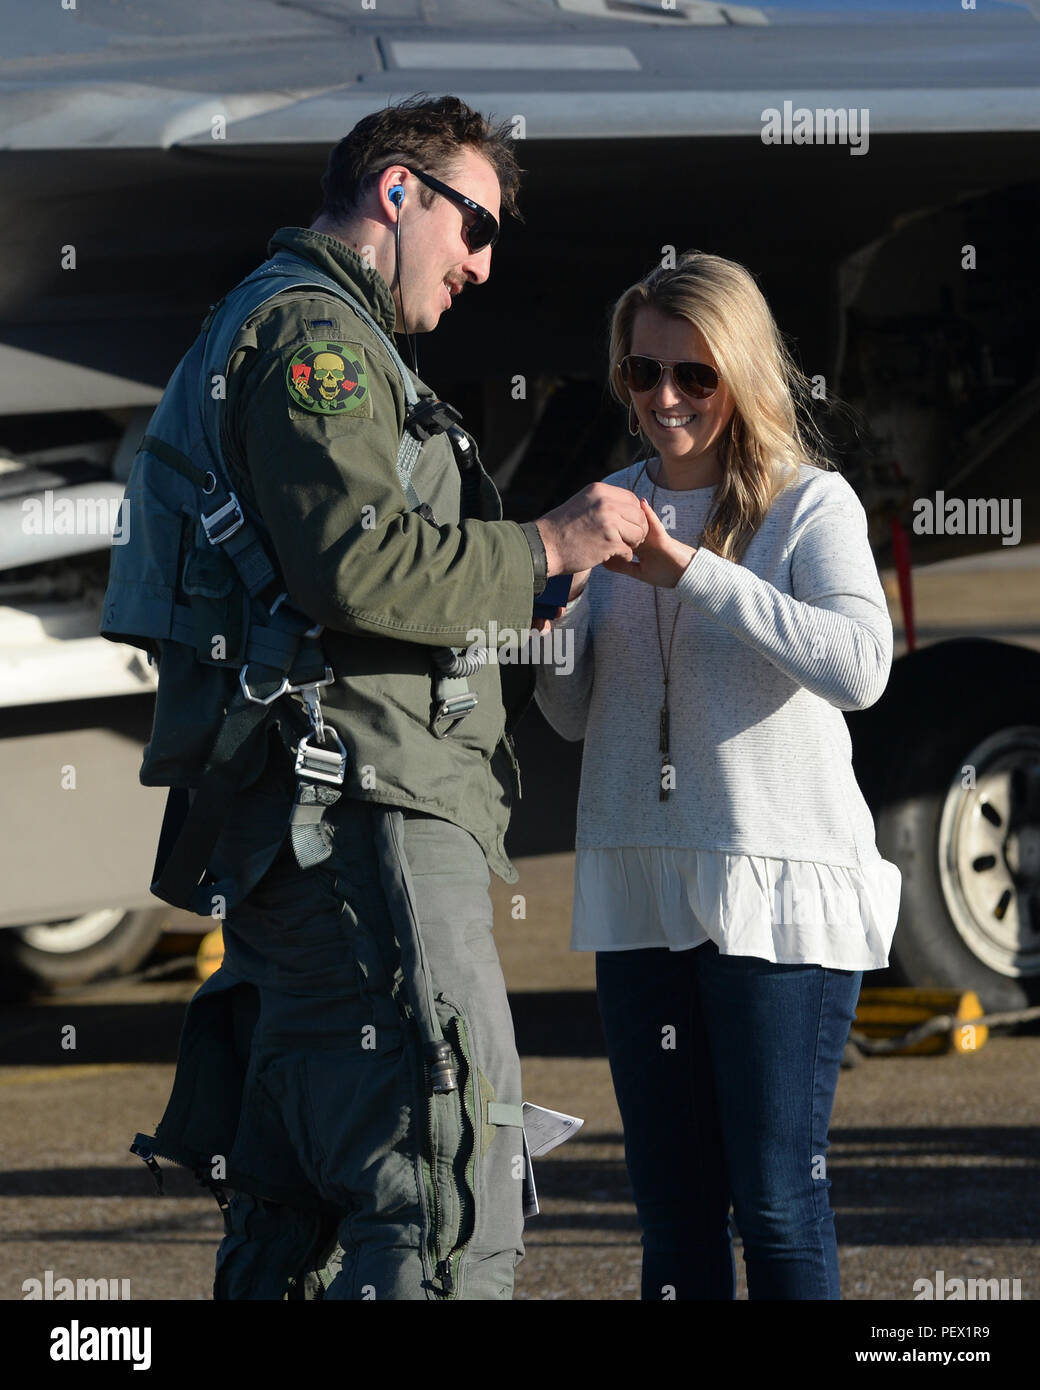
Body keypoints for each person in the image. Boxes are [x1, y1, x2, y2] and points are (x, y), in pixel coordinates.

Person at [114, 94, 648, 1301]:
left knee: (293, 1214)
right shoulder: (320, 342)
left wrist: (507, 586)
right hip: (367, 825)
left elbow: (337, 581)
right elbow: (358, 565)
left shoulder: (264, 324)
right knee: (446, 1208)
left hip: (302, 834)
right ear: (396, 192)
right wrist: (546, 545)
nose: (483, 263)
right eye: (473, 224)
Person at [532, 250, 902, 1300]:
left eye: (693, 376)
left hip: (772, 889)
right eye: (641, 374)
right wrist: (544, 619)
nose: (664, 400)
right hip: (641, 886)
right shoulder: (599, 508)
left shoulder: (807, 506)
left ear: (739, 375)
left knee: (778, 1205)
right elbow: (570, 717)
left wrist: (692, 571)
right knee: (672, 1215)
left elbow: (858, 667)